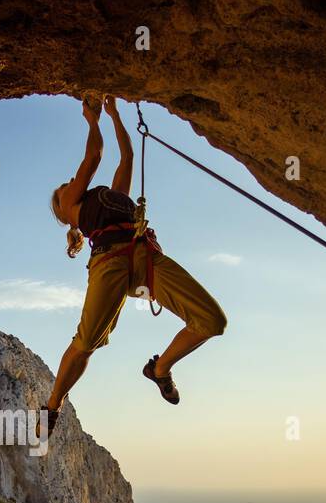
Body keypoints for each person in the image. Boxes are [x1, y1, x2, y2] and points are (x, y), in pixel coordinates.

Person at [40, 94, 228, 438]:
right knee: (85, 344)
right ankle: (52, 406)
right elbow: (94, 155)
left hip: (145, 257)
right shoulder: (70, 204)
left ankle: (160, 368)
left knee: (213, 321)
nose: (71, 181)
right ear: (63, 206)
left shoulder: (111, 197)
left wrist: (114, 114)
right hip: (109, 263)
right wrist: (92, 119)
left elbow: (125, 156)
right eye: (66, 184)